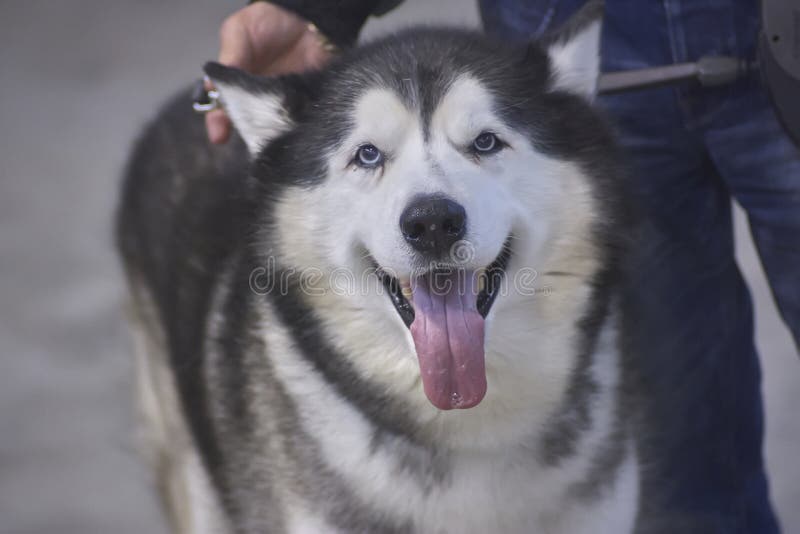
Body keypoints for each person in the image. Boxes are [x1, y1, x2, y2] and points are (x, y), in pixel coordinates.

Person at [205, 1, 800, 532]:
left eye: (482, 143)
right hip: (572, 26)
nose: (430, 209)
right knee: (688, 469)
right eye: (369, 155)